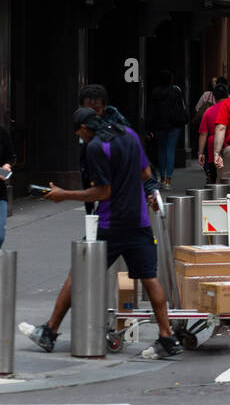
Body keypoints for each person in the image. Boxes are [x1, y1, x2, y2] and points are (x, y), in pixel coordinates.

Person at [20, 109, 181, 360]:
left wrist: (64, 195)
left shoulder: (96, 147)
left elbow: (102, 192)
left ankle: (49, 332)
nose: (79, 137)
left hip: (110, 222)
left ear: (85, 127)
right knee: (150, 278)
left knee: (79, 273)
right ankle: (167, 337)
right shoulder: (129, 134)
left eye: (79, 132)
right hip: (139, 220)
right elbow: (146, 174)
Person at [78, 86, 131, 213]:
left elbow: (140, 164)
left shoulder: (119, 129)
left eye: (96, 110)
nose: (92, 117)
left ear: (105, 107)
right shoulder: (84, 127)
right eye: (88, 111)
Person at [146, 70, 187, 188]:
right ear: (171, 80)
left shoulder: (155, 93)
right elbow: (181, 107)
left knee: (161, 151)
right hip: (174, 125)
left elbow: (152, 111)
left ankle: (162, 178)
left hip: (159, 125)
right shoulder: (176, 91)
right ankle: (169, 180)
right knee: (170, 151)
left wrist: (150, 128)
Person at [198, 82, 230, 184]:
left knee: (215, 175)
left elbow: (203, 134)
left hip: (214, 146)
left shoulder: (209, 111)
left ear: (214, 97)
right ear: (227, 94)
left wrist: (201, 152)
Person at [0, 117, 15, 250]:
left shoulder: (2, 132)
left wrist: (7, 165)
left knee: (0, 235)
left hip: (0, 192)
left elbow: (10, 156)